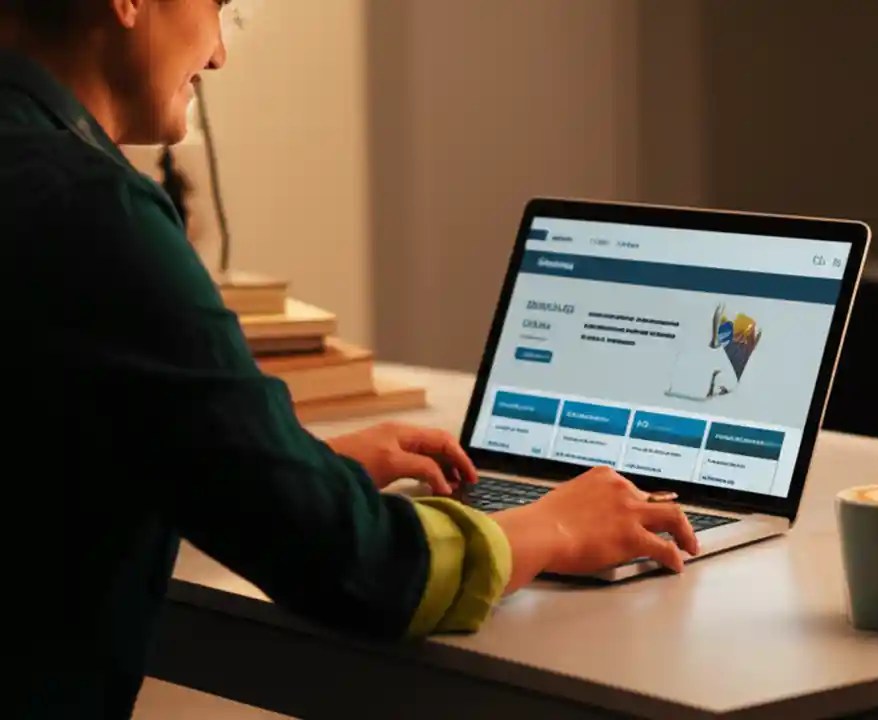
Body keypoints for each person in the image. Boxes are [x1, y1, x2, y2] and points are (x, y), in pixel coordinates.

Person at [0, 1, 699, 717]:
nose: (217, 54)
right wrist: (549, 528)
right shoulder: (94, 213)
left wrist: (292, 469)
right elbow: (357, 567)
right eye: (218, 6)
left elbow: (57, 460)